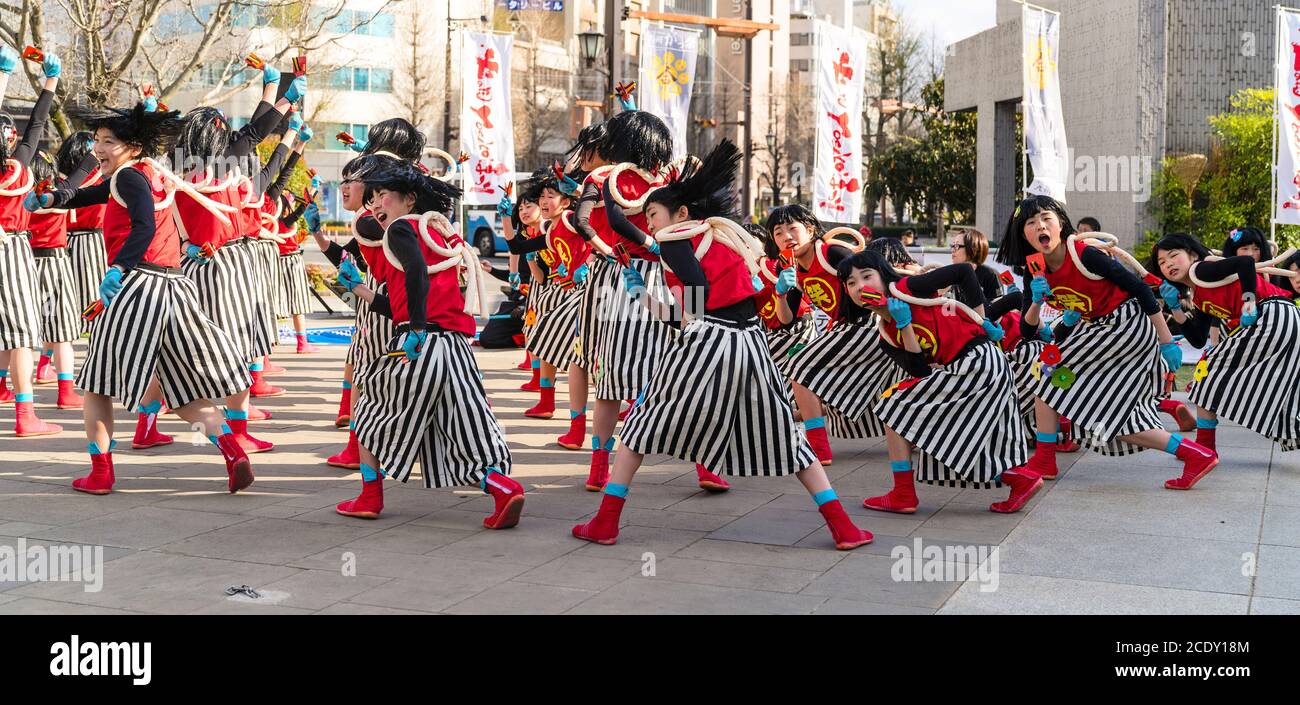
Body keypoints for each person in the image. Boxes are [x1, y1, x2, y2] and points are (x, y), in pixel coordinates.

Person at [571, 140, 873, 550]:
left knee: (639, 431)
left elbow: (690, 309)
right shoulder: (722, 237)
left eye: (653, 215)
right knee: (788, 437)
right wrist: (648, 293)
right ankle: (842, 527)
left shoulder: (678, 239)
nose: (650, 223)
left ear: (680, 213)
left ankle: (605, 523)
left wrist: (645, 295)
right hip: (750, 344)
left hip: (709, 342)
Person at [34, 103, 257, 495]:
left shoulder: (131, 179)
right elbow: (90, 195)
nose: (98, 149)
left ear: (133, 145)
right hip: (175, 288)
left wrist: (119, 268)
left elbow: (143, 226)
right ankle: (233, 452)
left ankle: (101, 472)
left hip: (138, 287)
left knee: (99, 386)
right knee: (184, 389)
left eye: (108, 142)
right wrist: (52, 200)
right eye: (98, 141)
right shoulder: (147, 175)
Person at [333, 160, 524, 527]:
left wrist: (417, 329)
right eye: (371, 197)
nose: (375, 204)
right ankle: (502, 487)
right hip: (455, 349)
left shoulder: (401, 230)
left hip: (421, 344)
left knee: (369, 409)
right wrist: (357, 287)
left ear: (409, 200)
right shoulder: (438, 234)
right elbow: (402, 300)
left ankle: (369, 496)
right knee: (460, 428)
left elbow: (417, 276)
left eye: (383, 195)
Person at [995, 195, 1217, 490]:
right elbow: (1026, 328)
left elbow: (1140, 288)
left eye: (1046, 218)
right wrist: (1035, 301)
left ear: (1061, 223)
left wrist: (1167, 342)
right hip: (1098, 328)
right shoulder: (1034, 269)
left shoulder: (1083, 254)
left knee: (1063, 388)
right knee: (1050, 381)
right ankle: (1047, 458)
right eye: (1031, 223)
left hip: (1124, 325)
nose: (1040, 227)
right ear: (1023, 234)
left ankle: (1048, 456)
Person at [835, 251, 1037, 514]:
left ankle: (903, 493)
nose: (861, 286)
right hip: (970, 369)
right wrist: (904, 324)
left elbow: (963, 271)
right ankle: (1019, 478)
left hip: (978, 362)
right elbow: (919, 371)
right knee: (954, 435)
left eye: (867, 276)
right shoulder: (886, 334)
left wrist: (981, 318)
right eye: (851, 283)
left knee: (892, 406)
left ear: (883, 276)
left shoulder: (908, 288)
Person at [1150, 233, 1300, 455]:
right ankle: (1204, 450)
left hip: (1272, 315)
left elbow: (1245, 262)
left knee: (1205, 375)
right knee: (1271, 387)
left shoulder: (1200, 270)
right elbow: (1198, 339)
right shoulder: (1199, 293)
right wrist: (1175, 307)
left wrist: (1248, 301)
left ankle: (1204, 451)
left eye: (1173, 255)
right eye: (1162, 262)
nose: (1168, 264)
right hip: (1284, 319)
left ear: (1192, 254)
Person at [0, 46, 61, 435]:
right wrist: (50, 80)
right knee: (20, 331)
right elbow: (37, 122)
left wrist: (3, 75)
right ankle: (25, 415)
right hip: (12, 248)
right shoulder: (18, 167)